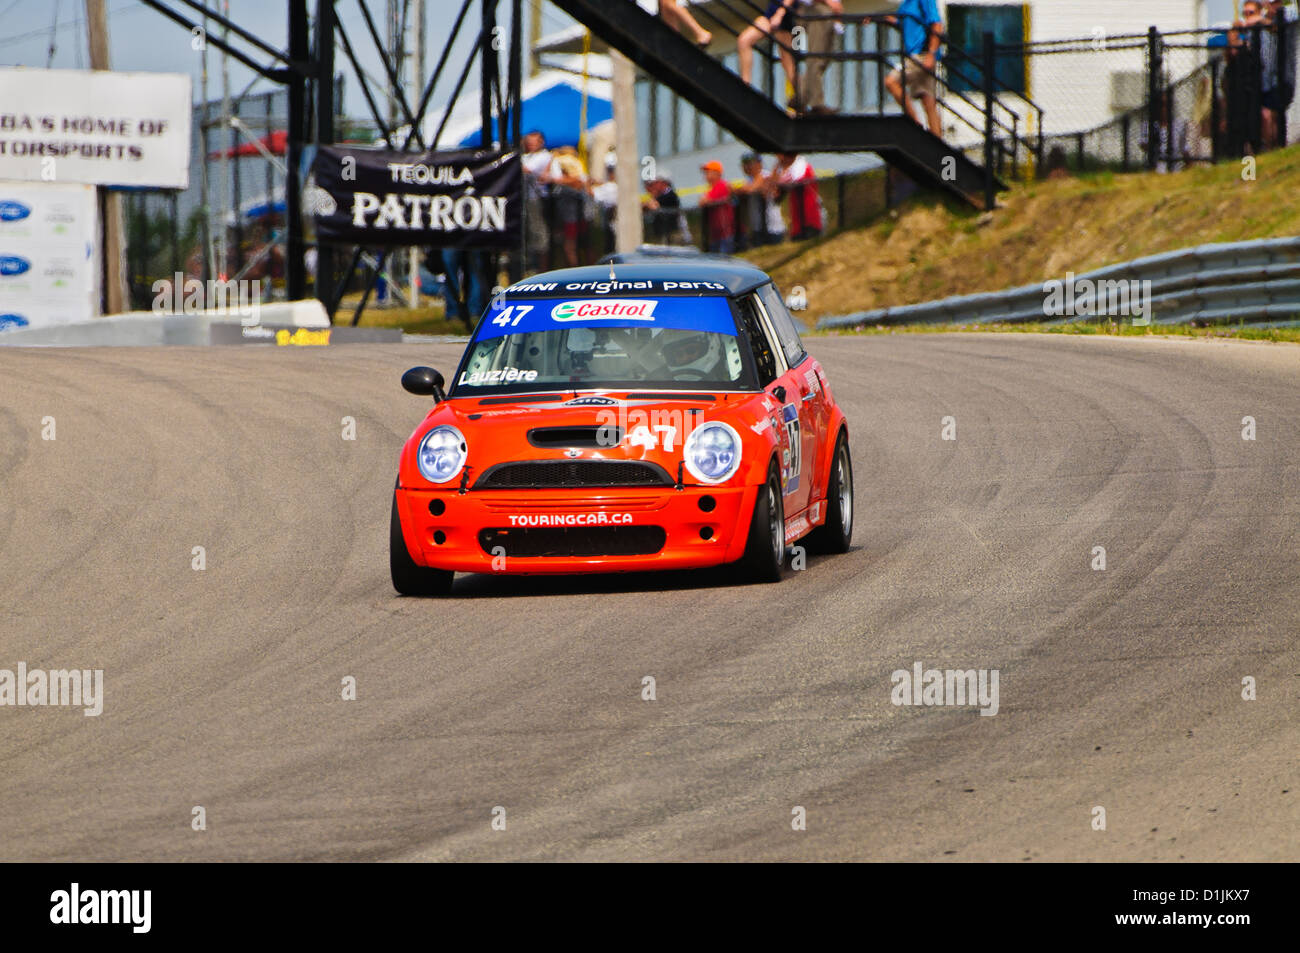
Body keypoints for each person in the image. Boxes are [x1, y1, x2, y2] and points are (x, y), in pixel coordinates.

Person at [884, 0, 945, 138]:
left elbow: (937, 24)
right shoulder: (906, 4)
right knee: (928, 100)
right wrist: (887, 20)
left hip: (922, 55)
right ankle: (938, 143)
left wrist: (931, 53)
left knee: (891, 81)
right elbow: (907, 24)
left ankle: (915, 124)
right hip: (914, 54)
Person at [738, 1, 798, 108]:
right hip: (770, 14)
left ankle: (800, 99)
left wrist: (780, 14)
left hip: (784, 18)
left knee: (788, 66)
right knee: (744, 40)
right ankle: (745, 85)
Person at [793, 0, 845, 115]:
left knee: (824, 59)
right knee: (816, 58)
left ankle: (800, 97)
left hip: (828, 12)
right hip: (816, 10)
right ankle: (816, 103)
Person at [545, 145, 590, 267]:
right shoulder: (560, 186)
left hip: (575, 219)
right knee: (570, 246)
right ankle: (573, 268)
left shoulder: (577, 181)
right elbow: (548, 178)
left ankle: (578, 268)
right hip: (566, 219)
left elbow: (581, 182)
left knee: (578, 245)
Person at [734, 152, 785, 248]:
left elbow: (752, 188)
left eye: (750, 163)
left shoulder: (765, 175)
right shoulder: (749, 180)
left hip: (773, 227)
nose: (747, 167)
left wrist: (740, 190)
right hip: (758, 227)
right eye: (744, 164)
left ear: (759, 164)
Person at [520, 130, 552, 271]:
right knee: (527, 235)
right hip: (525, 200)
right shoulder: (527, 156)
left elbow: (526, 170)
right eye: (529, 141)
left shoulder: (544, 156)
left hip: (536, 200)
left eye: (535, 141)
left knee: (539, 235)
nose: (531, 144)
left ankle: (541, 269)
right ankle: (529, 266)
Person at [772, 152, 823, 240]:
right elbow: (775, 193)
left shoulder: (801, 165)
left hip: (809, 221)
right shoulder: (789, 168)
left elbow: (788, 181)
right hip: (797, 223)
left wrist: (779, 169)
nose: (777, 158)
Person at [699, 160, 736, 254]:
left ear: (717, 173)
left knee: (724, 258)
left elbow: (703, 201)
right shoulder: (712, 188)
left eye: (709, 172)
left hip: (725, 232)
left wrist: (705, 199)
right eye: (706, 173)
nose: (706, 175)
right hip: (716, 234)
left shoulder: (721, 185)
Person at [642, 172, 690, 245]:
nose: (653, 187)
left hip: (674, 233)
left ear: (663, 183)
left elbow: (653, 205)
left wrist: (647, 204)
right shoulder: (661, 195)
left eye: (655, 183)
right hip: (666, 234)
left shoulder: (669, 194)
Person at [592, 154, 619, 255]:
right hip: (611, 222)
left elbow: (594, 194)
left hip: (614, 222)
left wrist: (585, 184)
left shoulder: (611, 186)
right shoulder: (610, 186)